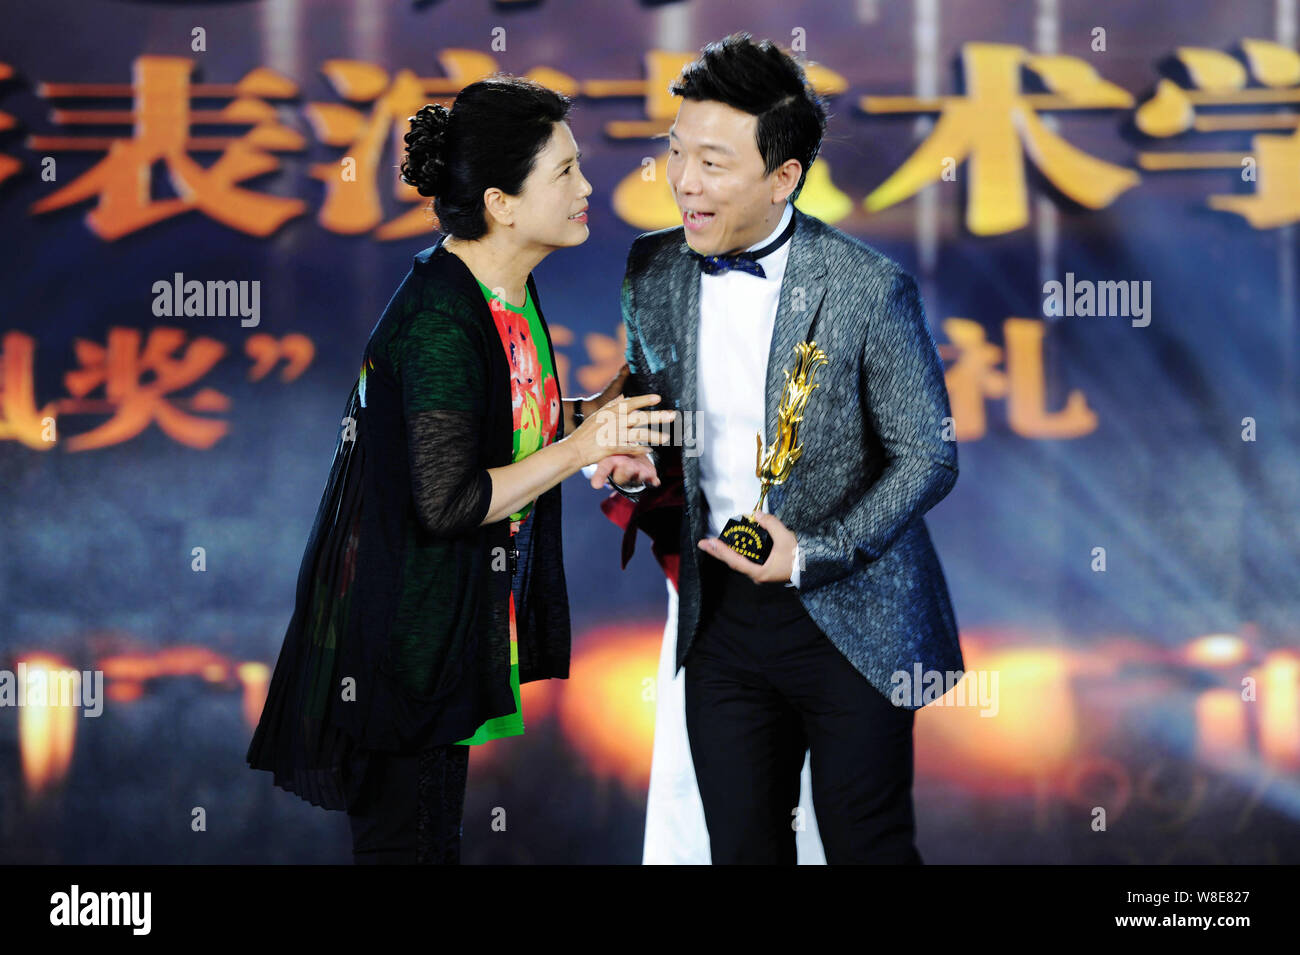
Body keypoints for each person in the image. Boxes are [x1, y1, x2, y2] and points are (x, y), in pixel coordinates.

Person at [246, 75, 673, 864]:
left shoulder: (503, 290)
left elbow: (512, 428)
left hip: (449, 633)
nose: (588, 188)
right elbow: (449, 499)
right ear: (501, 204)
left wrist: (613, 404)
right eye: (566, 174)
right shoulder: (443, 318)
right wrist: (582, 448)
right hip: (404, 645)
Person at [588, 33, 963, 864]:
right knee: (743, 849)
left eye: (713, 164)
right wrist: (621, 453)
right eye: (676, 153)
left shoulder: (868, 286)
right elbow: (649, 395)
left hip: (851, 617)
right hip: (717, 617)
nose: (683, 181)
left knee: (869, 846)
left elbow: (928, 455)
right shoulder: (651, 268)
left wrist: (813, 553)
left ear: (783, 176)